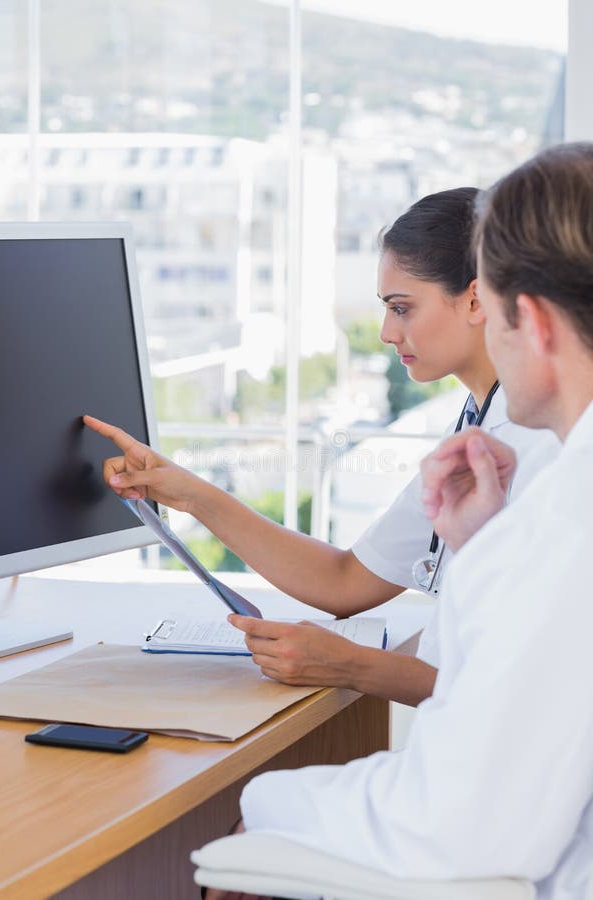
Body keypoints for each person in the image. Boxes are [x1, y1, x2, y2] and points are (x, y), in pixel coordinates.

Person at [201, 142, 593, 900]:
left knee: (241, 849)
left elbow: (464, 821)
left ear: (532, 322)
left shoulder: (566, 516)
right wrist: (482, 548)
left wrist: (261, 806)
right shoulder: (547, 504)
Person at [84, 187, 558, 708]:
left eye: (402, 309)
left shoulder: (544, 442)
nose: (384, 332)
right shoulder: (480, 419)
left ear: (474, 300)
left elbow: (533, 684)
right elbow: (346, 581)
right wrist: (188, 492)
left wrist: (351, 665)